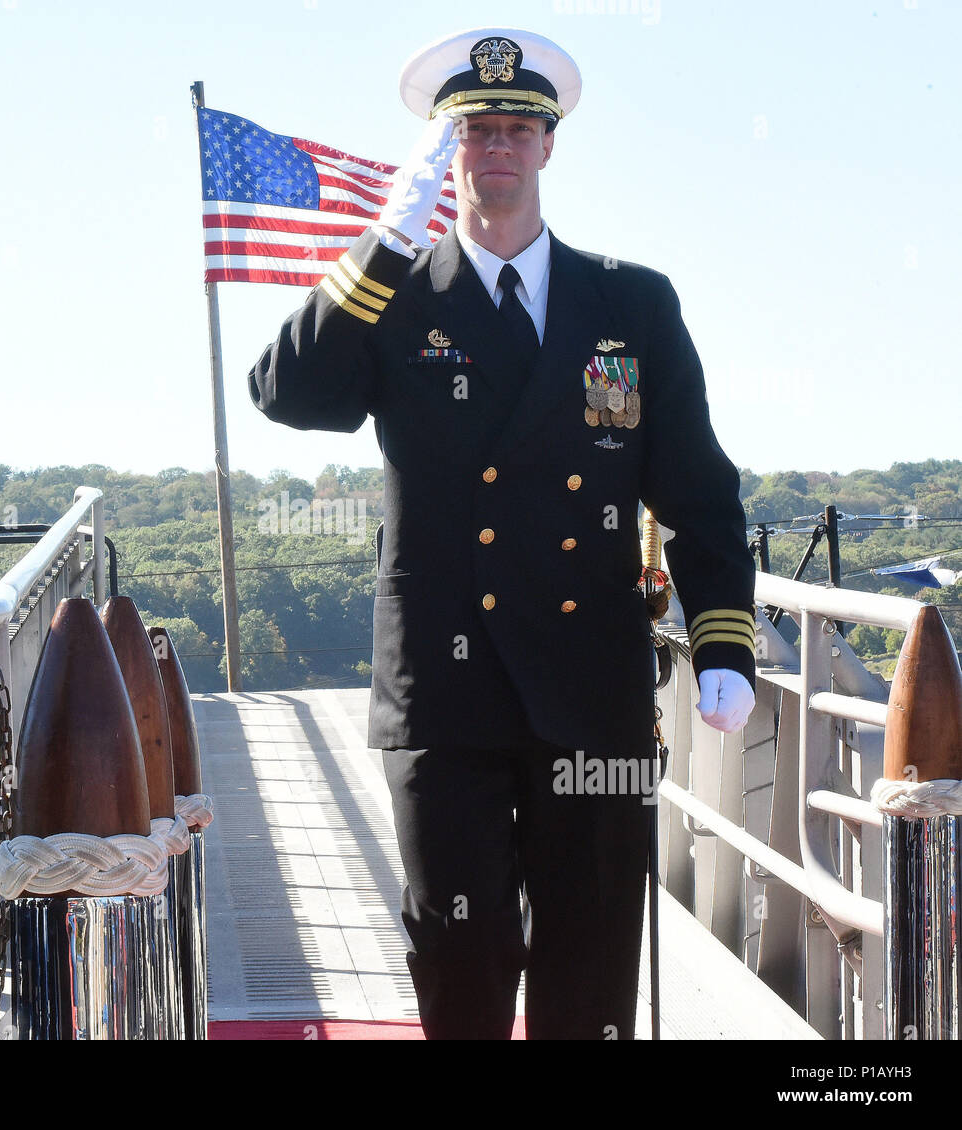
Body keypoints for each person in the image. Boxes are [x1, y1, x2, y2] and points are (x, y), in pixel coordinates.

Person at [249, 27, 758, 1039]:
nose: (497, 147)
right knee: (462, 960)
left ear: (548, 146)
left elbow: (696, 488)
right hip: (448, 694)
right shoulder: (394, 296)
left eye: (517, 127)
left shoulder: (631, 303)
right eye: (475, 127)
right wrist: (377, 248)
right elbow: (286, 392)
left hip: (591, 689)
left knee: (590, 964)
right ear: (449, 149)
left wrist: (722, 639)